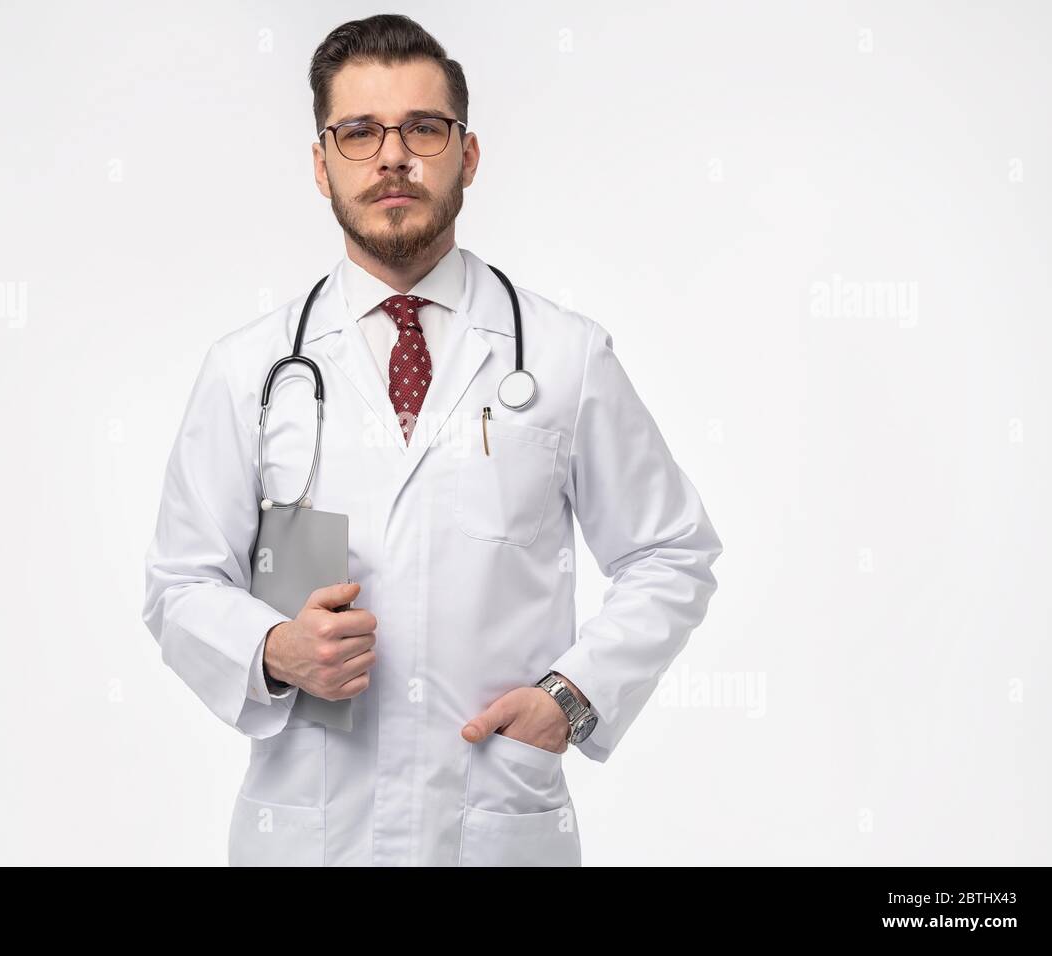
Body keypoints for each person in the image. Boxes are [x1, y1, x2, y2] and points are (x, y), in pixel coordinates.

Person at [142, 13, 723, 867]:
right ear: (320, 163)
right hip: (309, 832)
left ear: (468, 154)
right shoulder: (249, 370)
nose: (392, 155)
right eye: (358, 131)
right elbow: (179, 584)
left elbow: (673, 552)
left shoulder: (565, 357)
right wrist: (272, 650)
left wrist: (573, 697)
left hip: (495, 825)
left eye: (422, 126)